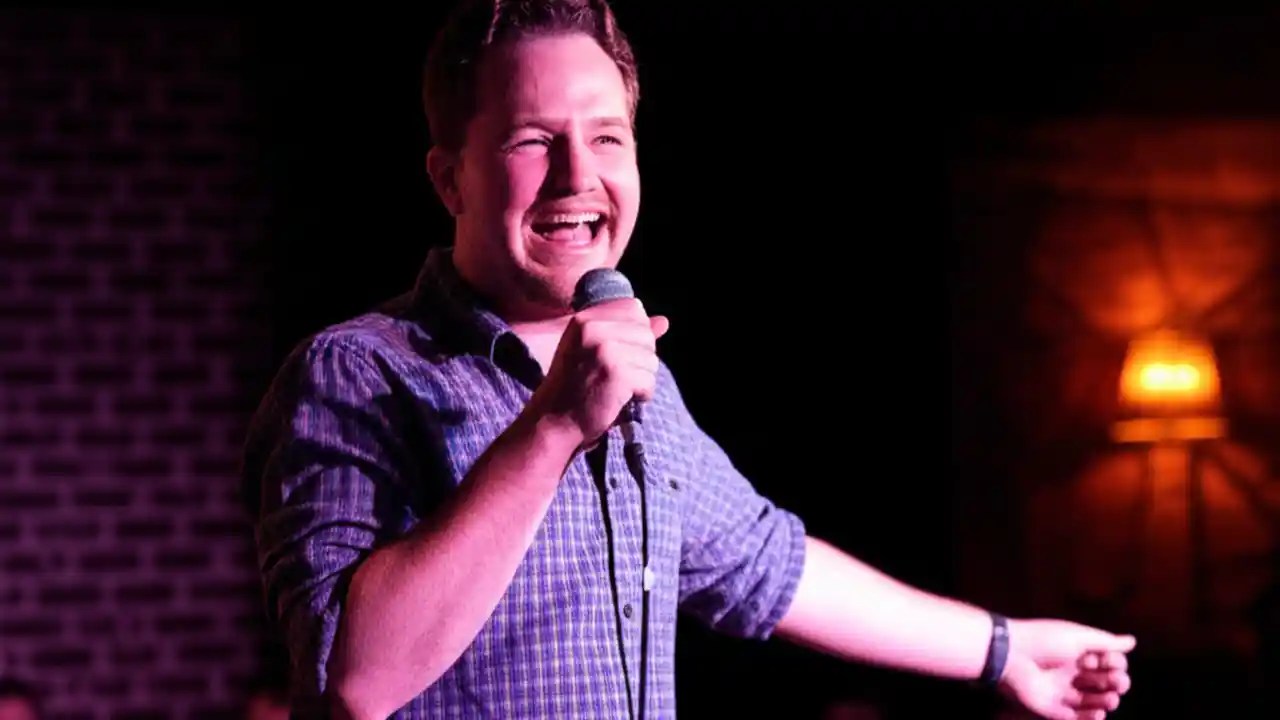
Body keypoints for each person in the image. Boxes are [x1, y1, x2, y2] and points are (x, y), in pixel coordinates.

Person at [241, 1, 1137, 718]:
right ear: (450, 178)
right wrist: (552, 428)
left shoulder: (638, 383)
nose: (576, 177)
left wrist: (1004, 649)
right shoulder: (359, 372)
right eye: (530, 141)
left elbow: (767, 567)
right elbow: (353, 680)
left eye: (605, 138)